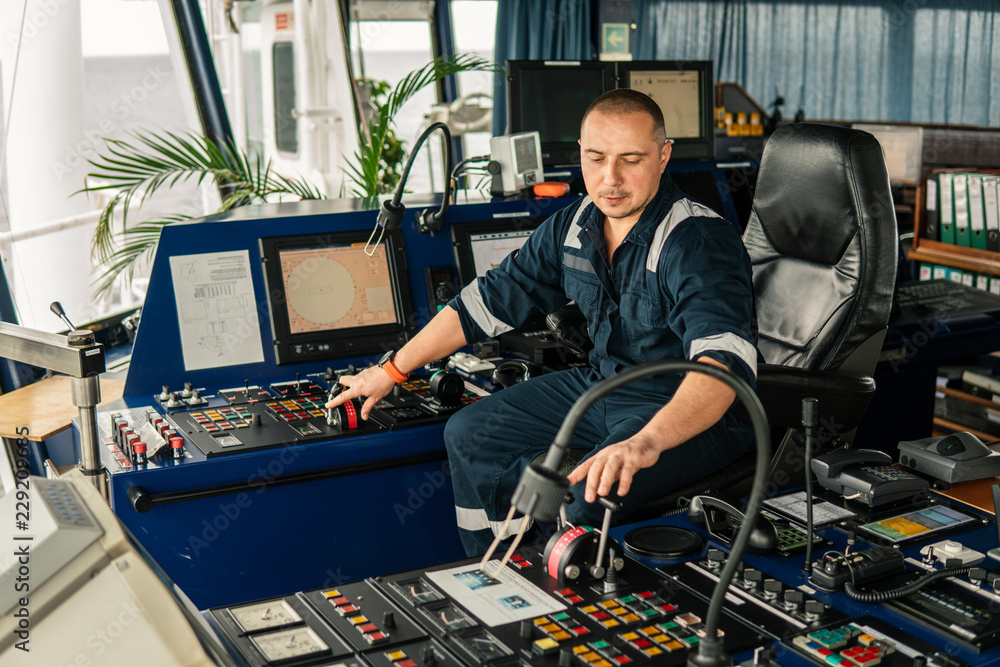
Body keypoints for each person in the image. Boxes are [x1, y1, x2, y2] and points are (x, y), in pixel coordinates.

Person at [327, 89, 757, 556]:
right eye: (596, 158)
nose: (610, 179)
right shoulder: (574, 225)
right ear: (580, 153)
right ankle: (497, 567)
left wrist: (645, 442)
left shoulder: (696, 240)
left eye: (631, 160)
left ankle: (569, 600)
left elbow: (721, 367)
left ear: (663, 156)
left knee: (589, 492)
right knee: (468, 434)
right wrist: (391, 371)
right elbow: (489, 301)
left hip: (686, 408)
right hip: (604, 385)